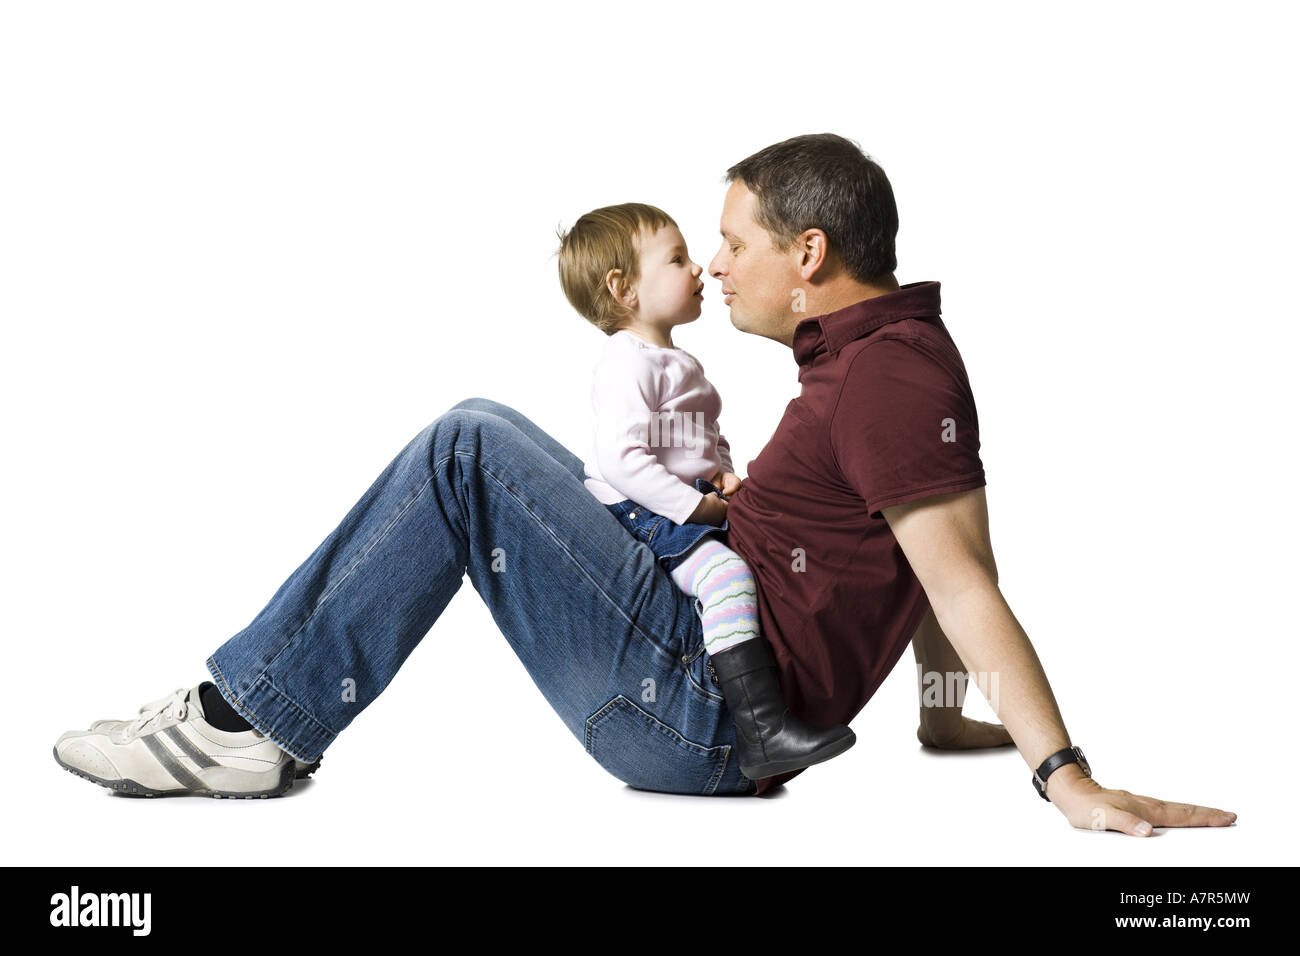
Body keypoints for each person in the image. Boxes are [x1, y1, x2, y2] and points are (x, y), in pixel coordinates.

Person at [52, 133, 1236, 836]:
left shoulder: (881, 373)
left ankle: (242, 722)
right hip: (706, 678)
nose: (715, 265)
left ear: (806, 255)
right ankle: (255, 712)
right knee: (499, 437)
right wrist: (942, 713)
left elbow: (964, 578)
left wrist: (1060, 776)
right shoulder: (884, 358)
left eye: (732, 241)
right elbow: (940, 550)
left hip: (694, 706)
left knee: (467, 438)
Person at [556, 202, 855, 779]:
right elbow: (622, 459)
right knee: (727, 577)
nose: (700, 269)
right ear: (624, 290)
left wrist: (721, 474)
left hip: (684, 500)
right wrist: (695, 506)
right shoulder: (626, 361)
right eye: (676, 259)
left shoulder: (677, 359)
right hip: (643, 514)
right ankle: (761, 728)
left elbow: (697, 437)